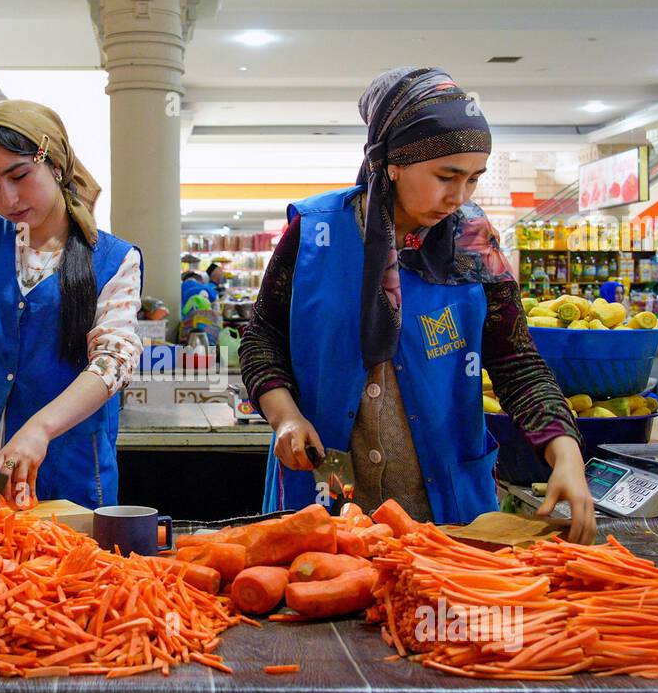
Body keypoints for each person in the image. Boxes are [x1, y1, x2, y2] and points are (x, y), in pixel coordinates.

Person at [239, 67, 596, 543]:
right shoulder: (315, 232)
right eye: (446, 177)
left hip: (445, 510)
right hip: (324, 496)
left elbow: (515, 360)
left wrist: (565, 451)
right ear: (393, 161)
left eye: (473, 179)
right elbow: (262, 338)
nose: (459, 197)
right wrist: (285, 415)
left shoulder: (474, 242)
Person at [0, 100, 143, 509]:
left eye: (19, 175)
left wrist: (41, 429)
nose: (8, 197)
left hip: (67, 479)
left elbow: (113, 361)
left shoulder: (115, 259)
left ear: (54, 163)